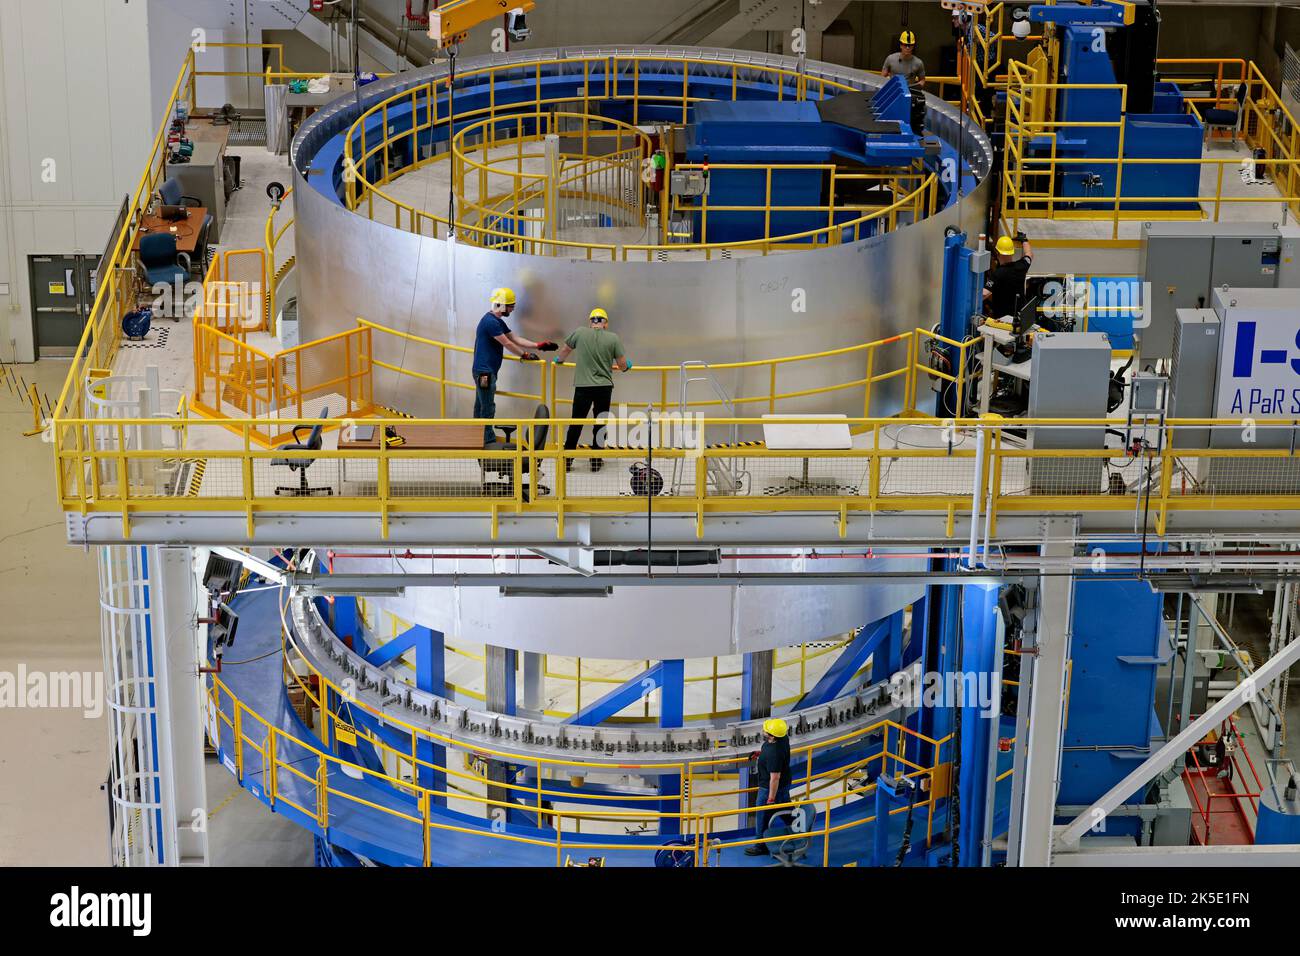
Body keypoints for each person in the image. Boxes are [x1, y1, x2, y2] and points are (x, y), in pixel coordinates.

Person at [472, 287, 557, 445]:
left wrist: (538, 345)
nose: (512, 309)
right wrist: (524, 355)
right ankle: (487, 441)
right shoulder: (491, 322)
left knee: (481, 405)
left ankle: (477, 437)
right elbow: (508, 343)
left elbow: (516, 338)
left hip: (484, 371)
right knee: (487, 407)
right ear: (502, 305)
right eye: (510, 306)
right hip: (485, 373)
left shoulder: (496, 321)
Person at [552, 307, 630, 472]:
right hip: (604, 387)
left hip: (583, 387)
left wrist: (559, 360)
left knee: (576, 423)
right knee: (600, 423)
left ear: (591, 322)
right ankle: (596, 460)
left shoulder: (580, 332)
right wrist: (625, 367)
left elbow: (565, 350)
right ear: (605, 323)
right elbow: (623, 365)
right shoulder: (613, 338)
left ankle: (567, 460)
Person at [745, 717, 793, 856]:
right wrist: (761, 755)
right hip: (784, 784)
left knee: (762, 815)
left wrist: (770, 798)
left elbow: (774, 778)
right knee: (785, 807)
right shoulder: (783, 738)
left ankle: (760, 845)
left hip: (770, 789)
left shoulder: (774, 753)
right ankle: (800, 828)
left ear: (772, 736)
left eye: (765, 731)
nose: (763, 731)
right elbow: (775, 754)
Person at [882, 31, 926, 133]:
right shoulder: (890, 59)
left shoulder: (918, 63)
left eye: (910, 45)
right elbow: (882, 77)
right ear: (901, 45)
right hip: (892, 95)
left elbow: (922, 80)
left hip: (909, 98)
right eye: (905, 45)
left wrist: (917, 87)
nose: (907, 48)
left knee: (909, 122)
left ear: (913, 46)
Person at [983, 232, 1034, 320]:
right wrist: (1024, 240)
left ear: (997, 253)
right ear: (1012, 252)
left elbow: (984, 294)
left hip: (1003, 320)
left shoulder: (997, 274)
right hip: (1020, 317)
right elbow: (1029, 254)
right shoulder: (1021, 266)